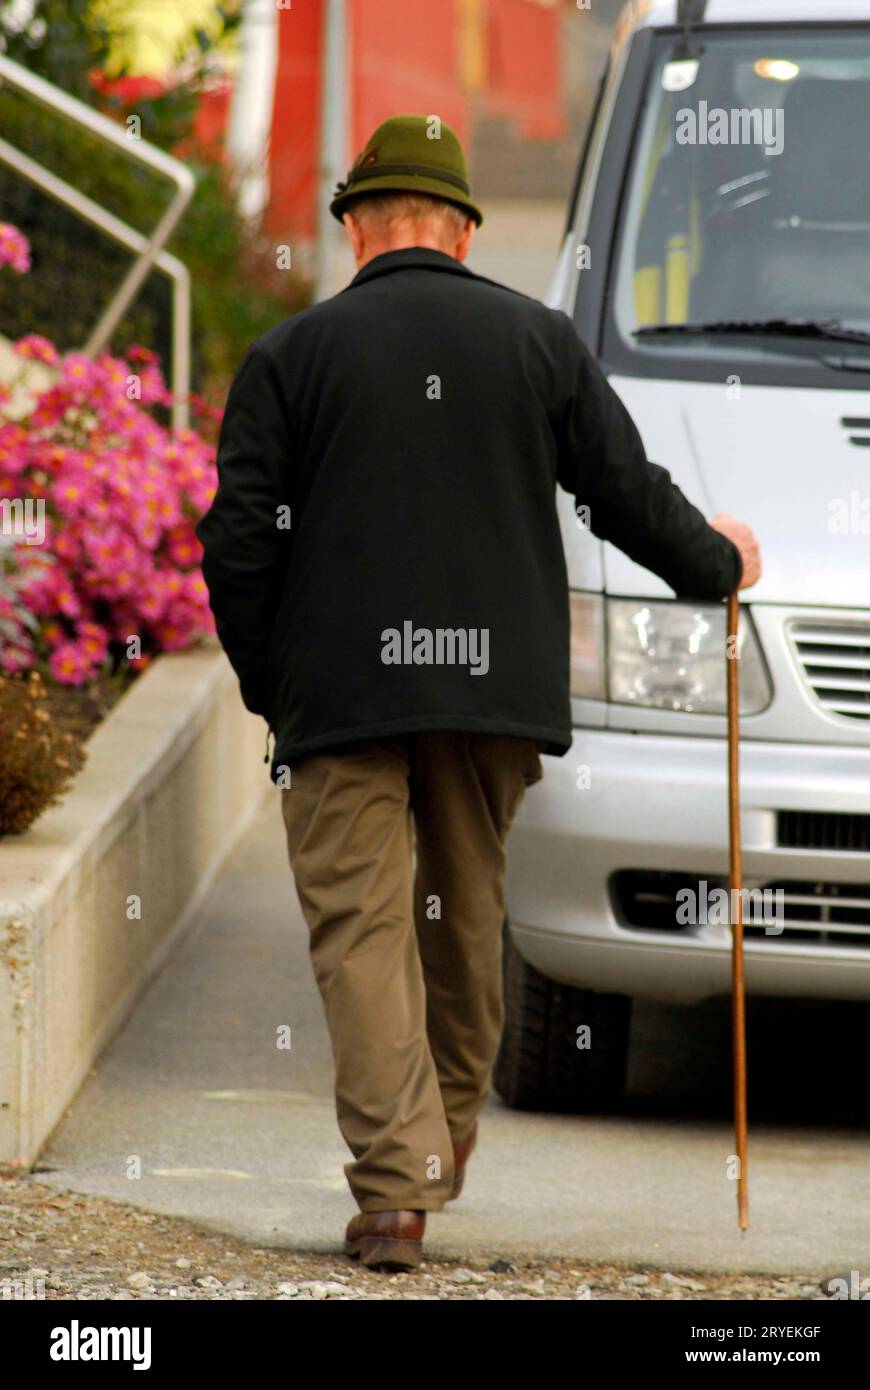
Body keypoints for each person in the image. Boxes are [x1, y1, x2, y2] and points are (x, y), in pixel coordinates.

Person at [195, 114, 761, 1272]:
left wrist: (276, 687)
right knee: (462, 925)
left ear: (357, 223)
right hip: (490, 698)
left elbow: (237, 546)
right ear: (461, 227)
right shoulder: (538, 343)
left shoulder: (290, 358)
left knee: (363, 935)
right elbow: (628, 494)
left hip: (341, 699)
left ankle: (394, 1188)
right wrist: (720, 564)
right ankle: (435, 1151)